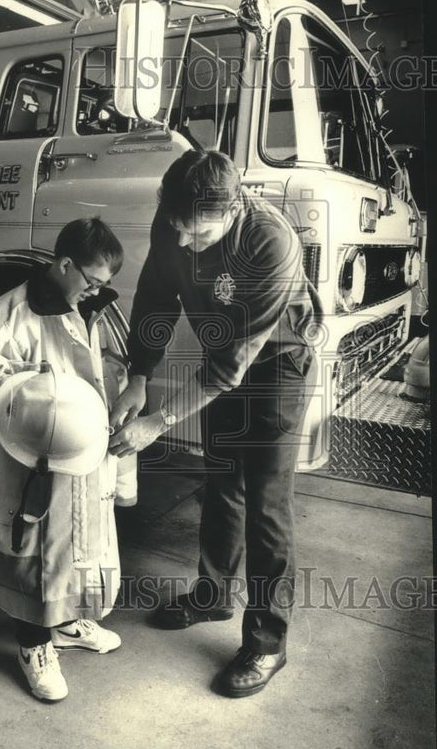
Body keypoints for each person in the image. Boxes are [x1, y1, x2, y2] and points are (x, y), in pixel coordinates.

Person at [109, 150, 323, 698]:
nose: (183, 242)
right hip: (220, 361)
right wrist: (138, 373)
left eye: (197, 235)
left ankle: (267, 641)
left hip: (278, 364)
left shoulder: (269, 242)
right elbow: (156, 299)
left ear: (231, 211)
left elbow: (230, 367)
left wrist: (159, 421)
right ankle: (212, 595)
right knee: (221, 480)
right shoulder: (176, 219)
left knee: (266, 501)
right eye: (178, 229)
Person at [0, 217, 128, 703]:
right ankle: (33, 647)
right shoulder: (3, 319)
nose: (97, 290)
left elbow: (106, 365)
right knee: (28, 553)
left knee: (73, 545)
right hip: (26, 460)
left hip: (80, 458)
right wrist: (42, 405)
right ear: (65, 263)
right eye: (91, 279)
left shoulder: (86, 308)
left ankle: (68, 623)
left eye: (104, 284)